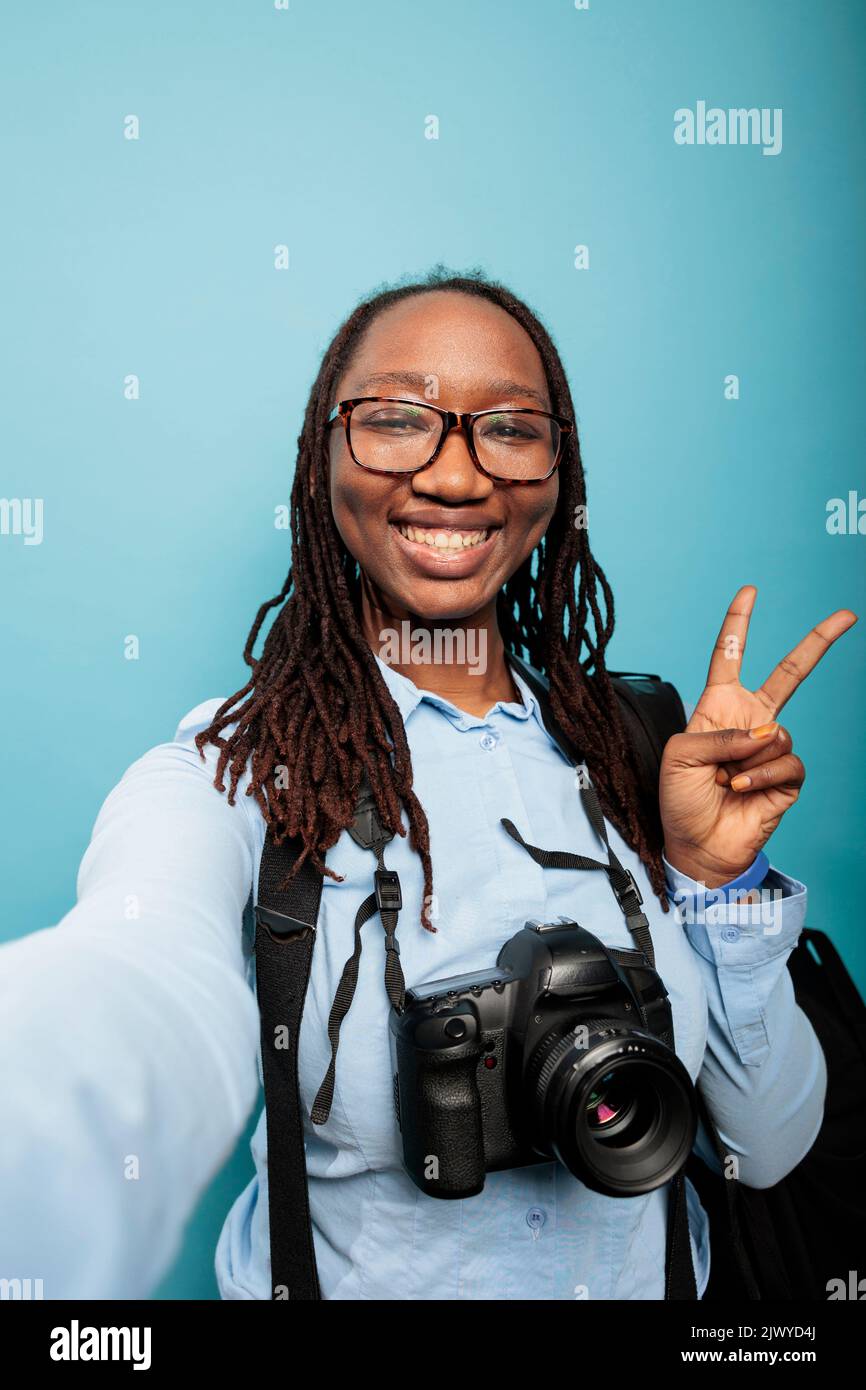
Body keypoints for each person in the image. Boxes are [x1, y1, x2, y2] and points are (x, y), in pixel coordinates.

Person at [0, 268, 856, 1301]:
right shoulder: (228, 780)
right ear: (322, 460)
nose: (455, 476)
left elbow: (761, 1149)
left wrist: (715, 880)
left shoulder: (635, 753)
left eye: (509, 427)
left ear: (558, 472)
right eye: (397, 419)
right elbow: (141, 980)